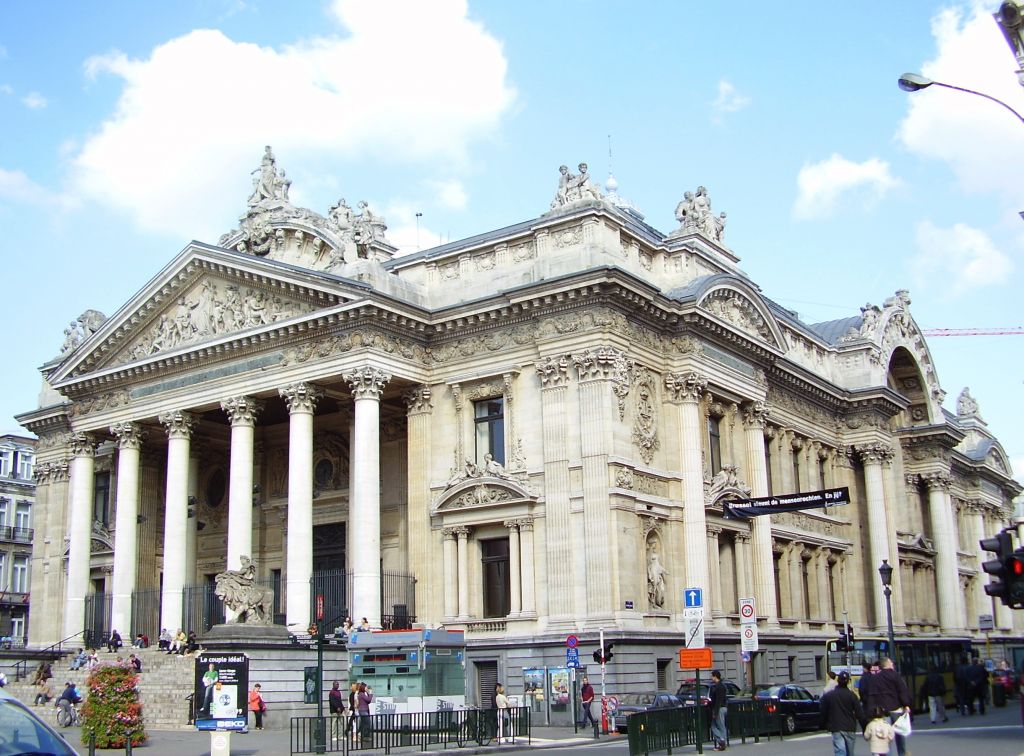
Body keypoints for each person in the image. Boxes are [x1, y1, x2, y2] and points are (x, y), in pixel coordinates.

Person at [865, 657, 911, 756]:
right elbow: (902, 691)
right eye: (891, 663)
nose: (893, 664)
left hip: (882, 711)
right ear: (888, 664)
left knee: (885, 737)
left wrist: (871, 711)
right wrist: (906, 704)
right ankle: (901, 753)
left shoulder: (875, 678)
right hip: (897, 709)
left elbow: (872, 695)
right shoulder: (895, 676)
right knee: (900, 734)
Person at [820, 671, 865, 756]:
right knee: (850, 752)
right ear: (848, 681)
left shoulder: (830, 695)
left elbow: (823, 711)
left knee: (840, 751)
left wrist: (823, 724)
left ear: (838, 680)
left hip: (836, 726)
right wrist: (864, 727)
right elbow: (860, 714)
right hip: (850, 726)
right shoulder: (852, 696)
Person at [709, 669, 728, 751]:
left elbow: (718, 700)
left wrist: (715, 712)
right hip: (722, 707)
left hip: (719, 708)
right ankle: (722, 742)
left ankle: (722, 742)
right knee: (715, 726)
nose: (711, 678)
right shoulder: (722, 685)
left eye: (712, 676)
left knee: (719, 726)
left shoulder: (718, 686)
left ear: (715, 676)